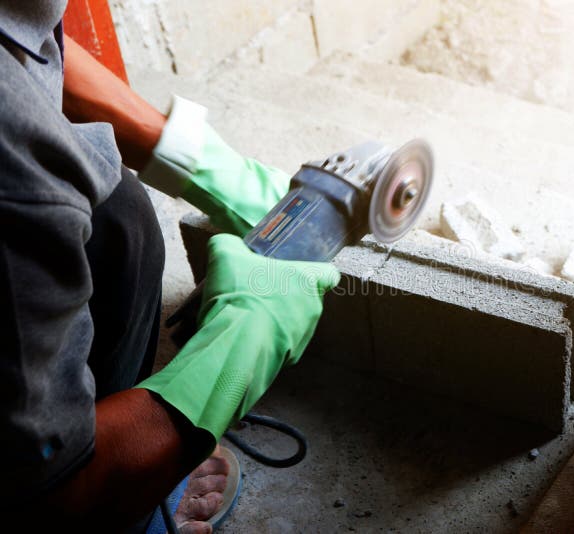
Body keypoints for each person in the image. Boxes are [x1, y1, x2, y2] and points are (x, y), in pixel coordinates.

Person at [0, 1, 339, 531]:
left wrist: (189, 158)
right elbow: (51, 504)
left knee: (121, 215)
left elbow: (27, 41)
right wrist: (242, 339)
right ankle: (122, 492)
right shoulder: (15, 178)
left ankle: (111, 428)